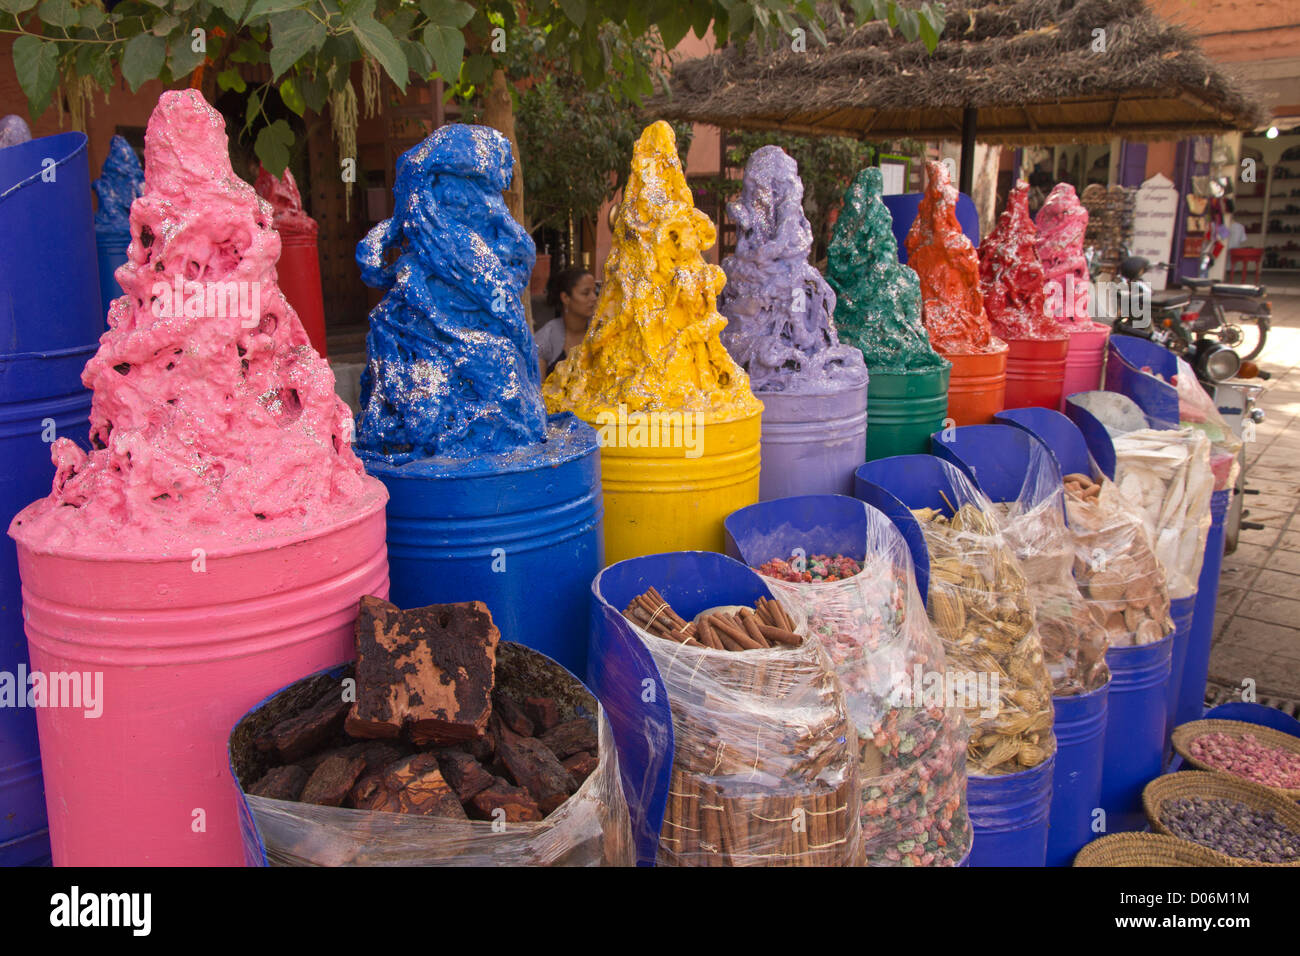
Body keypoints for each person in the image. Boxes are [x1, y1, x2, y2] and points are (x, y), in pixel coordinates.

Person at [535, 267, 597, 379]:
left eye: (594, 291)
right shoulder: (545, 338)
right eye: (586, 293)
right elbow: (537, 390)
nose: (594, 298)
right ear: (565, 298)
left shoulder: (601, 332)